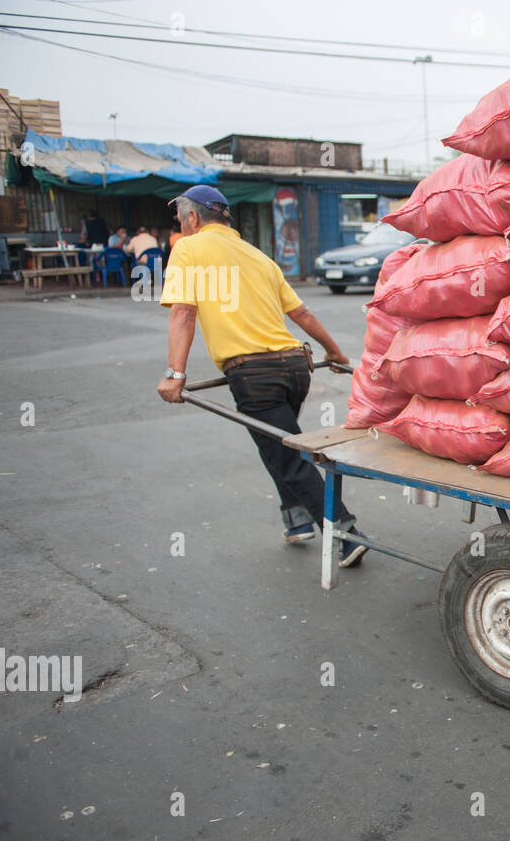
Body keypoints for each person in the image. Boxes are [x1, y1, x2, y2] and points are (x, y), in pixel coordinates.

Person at [155, 184, 369, 566]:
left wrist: (175, 373)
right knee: (277, 442)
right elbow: (301, 314)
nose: (180, 225)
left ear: (192, 218)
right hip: (294, 367)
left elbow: (183, 312)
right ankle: (296, 519)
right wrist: (333, 351)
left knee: (287, 455)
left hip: (254, 374)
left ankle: (347, 534)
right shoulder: (258, 256)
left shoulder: (188, 248)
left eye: (180, 218)